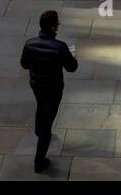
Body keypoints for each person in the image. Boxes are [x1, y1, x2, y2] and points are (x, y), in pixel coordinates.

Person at [20, 9, 78, 172]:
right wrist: (71, 56)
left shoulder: (30, 43)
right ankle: (39, 161)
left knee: (40, 104)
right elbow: (72, 67)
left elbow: (24, 64)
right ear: (53, 28)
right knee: (48, 121)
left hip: (36, 84)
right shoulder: (60, 47)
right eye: (57, 23)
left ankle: (38, 130)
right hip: (53, 88)